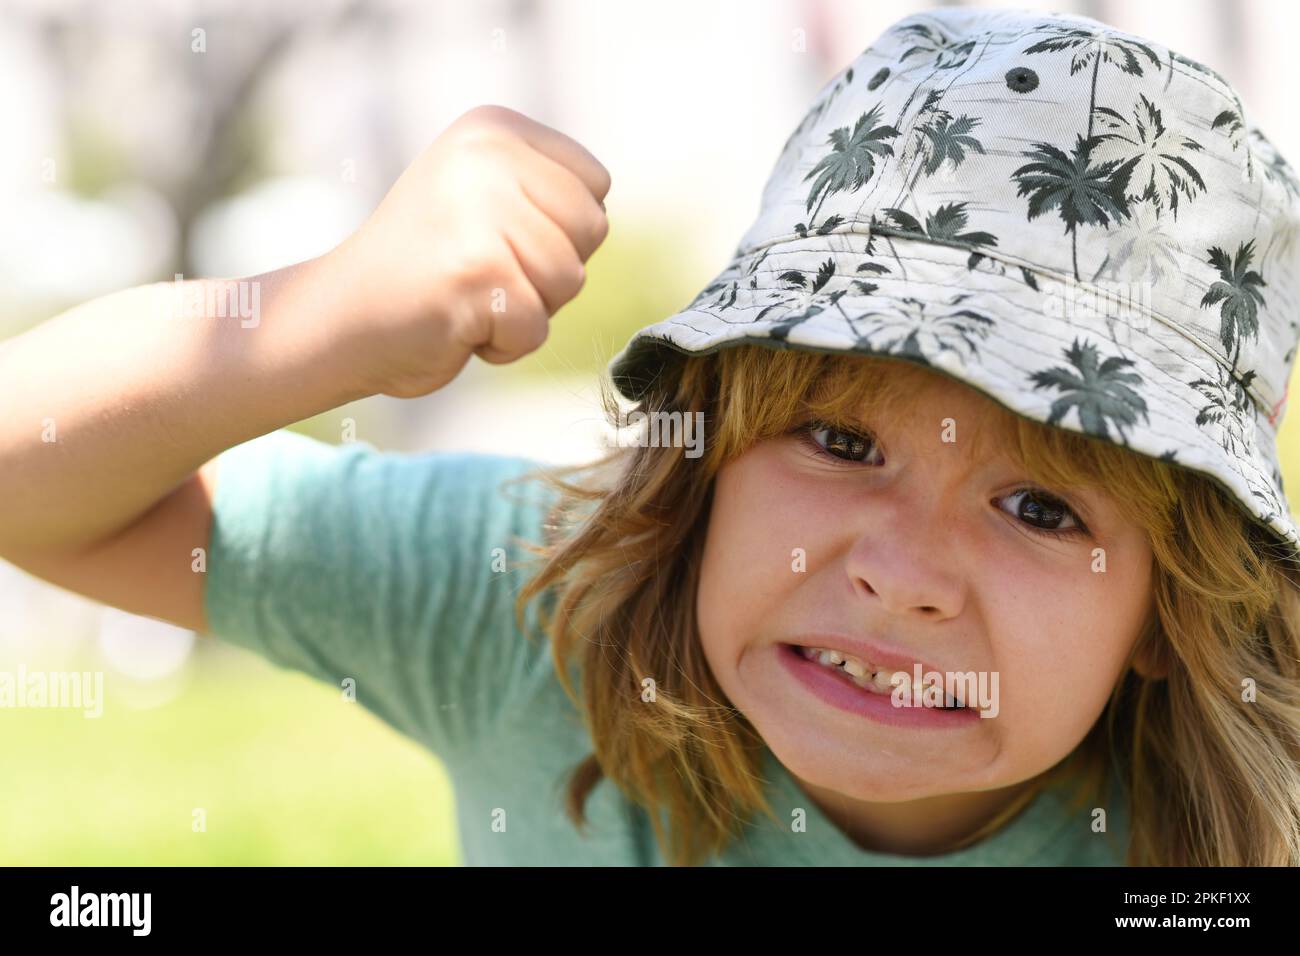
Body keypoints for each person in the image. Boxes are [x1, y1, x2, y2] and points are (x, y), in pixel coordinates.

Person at [3, 7, 1298, 866]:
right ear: (706, 461)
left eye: (1043, 510)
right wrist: (318, 320)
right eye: (841, 444)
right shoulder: (526, 602)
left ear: (1166, 618)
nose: (900, 576)